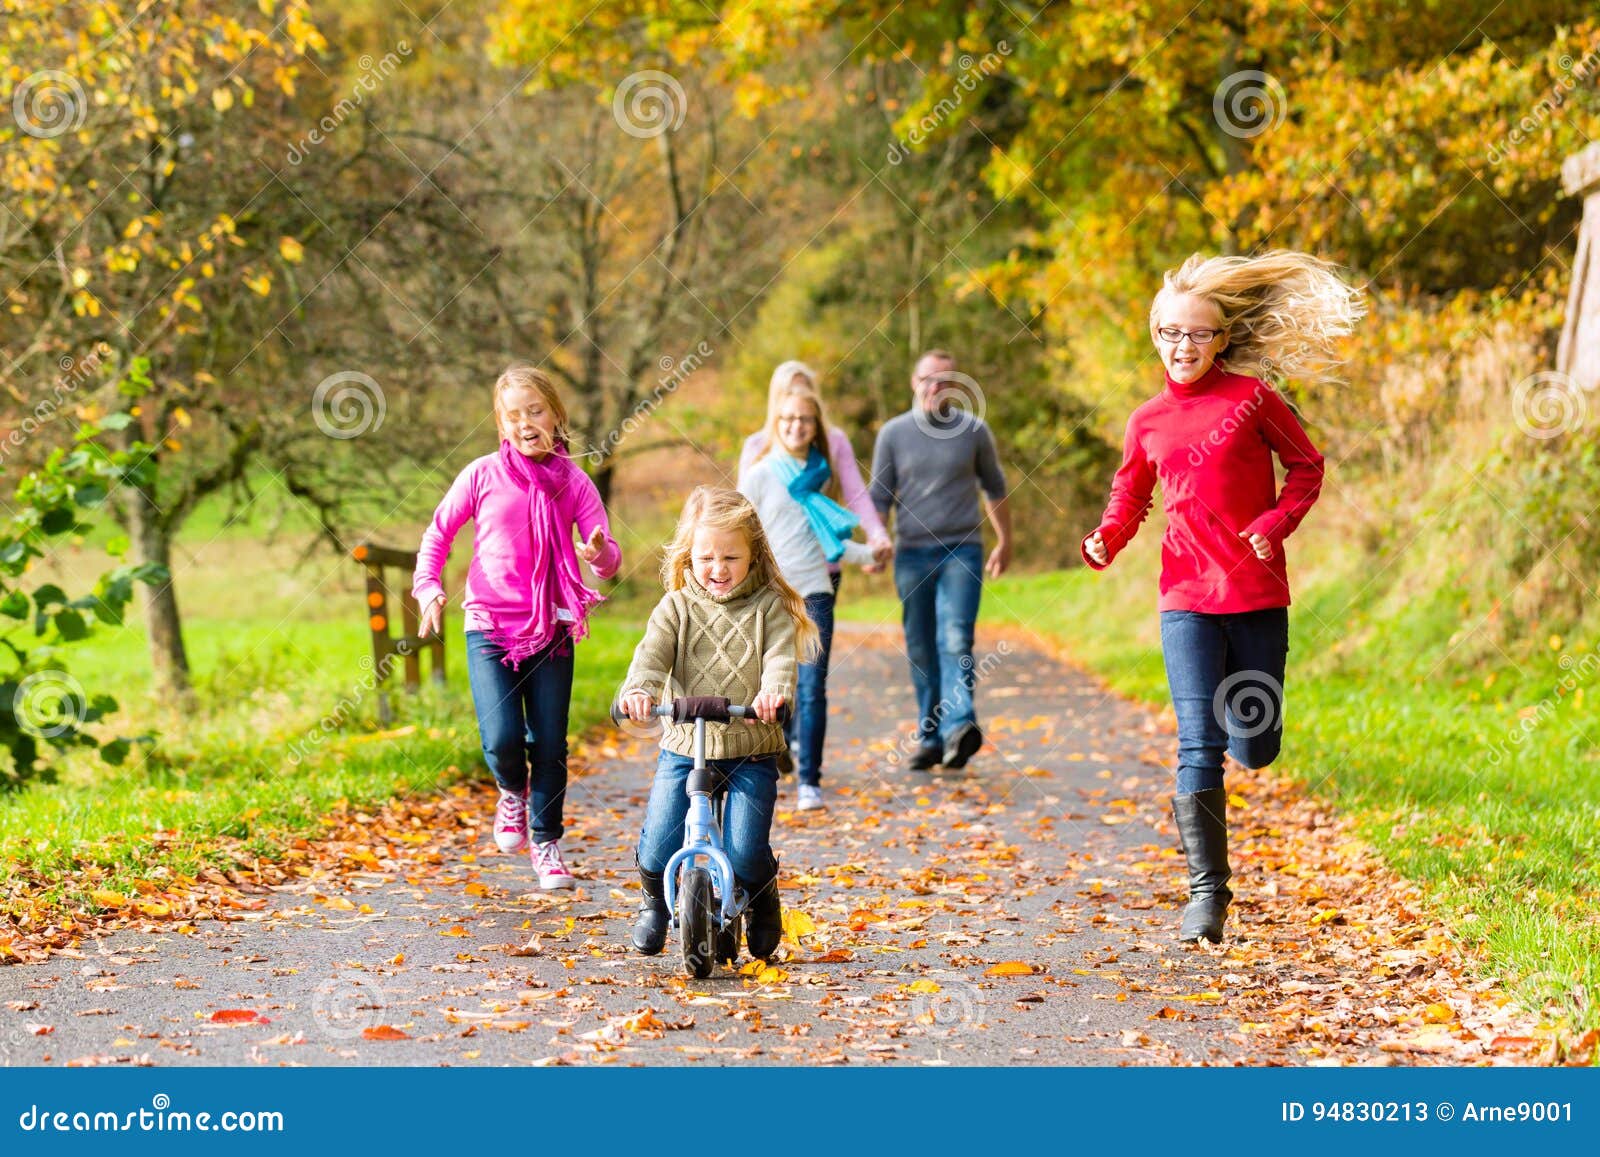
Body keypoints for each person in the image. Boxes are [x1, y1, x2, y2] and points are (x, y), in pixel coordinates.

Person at [1082, 250, 1363, 943]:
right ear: (1155, 335)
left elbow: (1306, 466)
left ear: (1221, 339)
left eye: (1198, 334)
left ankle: (1253, 743)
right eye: (1171, 333)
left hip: (1257, 592)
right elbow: (1131, 493)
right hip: (1185, 596)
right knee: (1196, 742)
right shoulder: (1146, 419)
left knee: (1255, 745)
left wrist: (1274, 523)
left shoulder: (1252, 400)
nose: (1184, 346)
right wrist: (1108, 537)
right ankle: (1207, 894)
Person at [414, 363, 620, 890]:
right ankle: (512, 790)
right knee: (504, 737)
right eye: (514, 415)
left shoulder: (573, 482)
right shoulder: (481, 474)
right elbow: (439, 533)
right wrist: (428, 586)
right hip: (487, 624)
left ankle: (546, 844)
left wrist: (597, 554)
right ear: (501, 426)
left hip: (552, 625)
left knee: (549, 742)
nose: (526, 422)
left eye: (535, 410)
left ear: (555, 416)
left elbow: (609, 559)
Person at [618, 486, 820, 960]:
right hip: (686, 745)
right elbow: (650, 657)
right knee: (659, 844)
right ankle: (653, 903)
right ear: (690, 556)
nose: (718, 568)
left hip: (751, 744)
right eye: (707, 556)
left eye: (731, 556)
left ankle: (761, 895)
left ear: (754, 556)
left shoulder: (769, 608)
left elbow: (778, 661)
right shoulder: (675, 608)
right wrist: (639, 692)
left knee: (747, 851)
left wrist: (775, 694)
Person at [739, 378, 882, 811]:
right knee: (766, 687)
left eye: (803, 419)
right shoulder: (761, 475)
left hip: (816, 593)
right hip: (771, 596)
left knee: (813, 687)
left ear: (815, 425)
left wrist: (870, 552)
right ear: (775, 424)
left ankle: (810, 782)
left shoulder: (819, 474)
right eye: (787, 419)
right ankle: (762, 760)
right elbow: (739, 531)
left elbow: (822, 541)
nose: (795, 426)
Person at [869, 350, 1011, 773]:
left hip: (961, 549)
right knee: (920, 646)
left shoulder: (974, 431)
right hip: (911, 552)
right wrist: (875, 544)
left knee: (955, 636)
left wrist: (1005, 541)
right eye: (929, 379)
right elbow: (879, 497)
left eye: (946, 380)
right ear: (914, 383)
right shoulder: (893, 434)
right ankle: (931, 737)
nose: (937, 387)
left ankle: (960, 726)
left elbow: (995, 487)